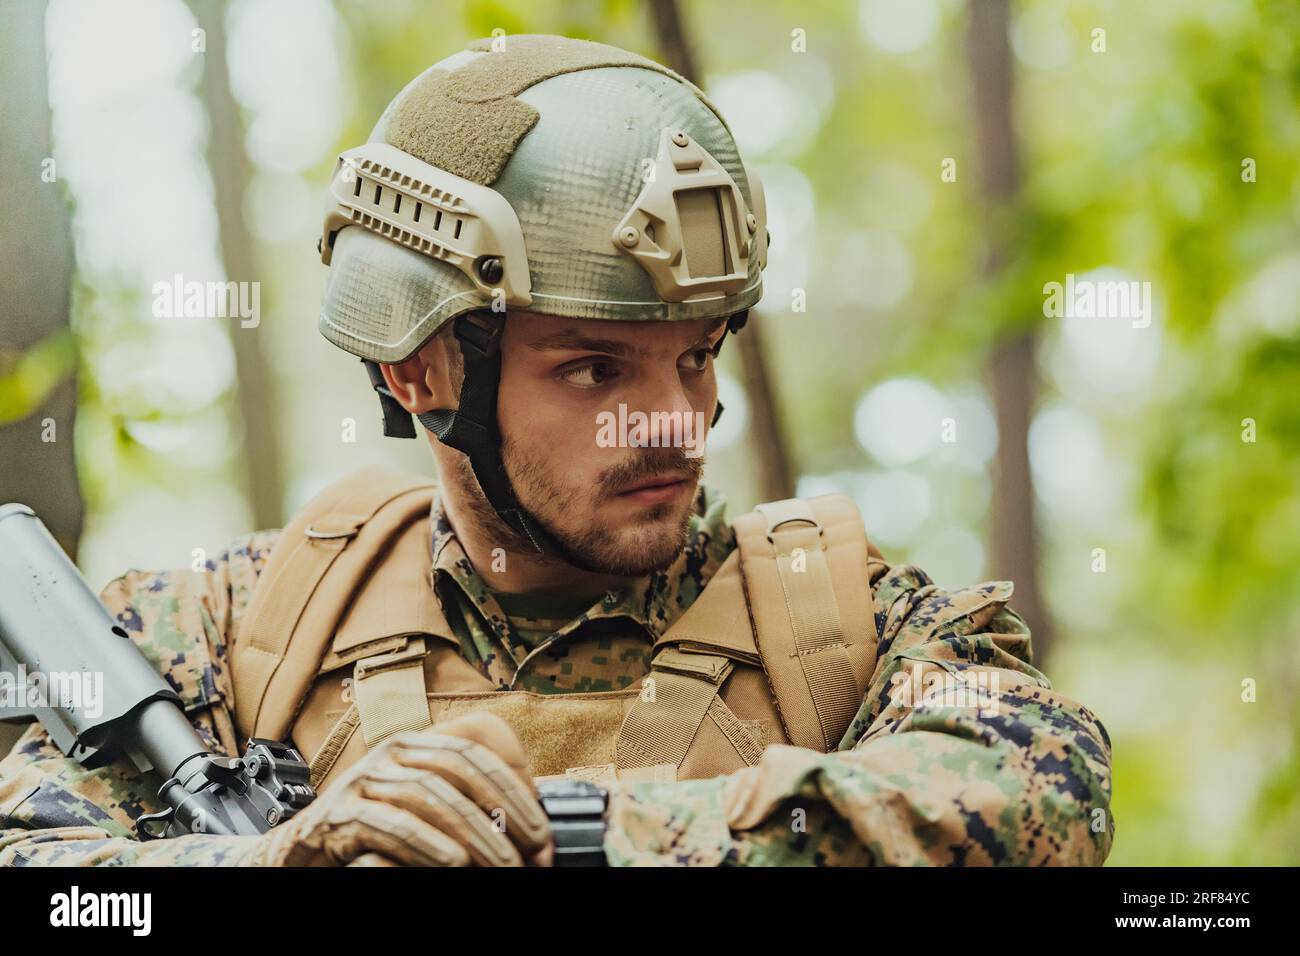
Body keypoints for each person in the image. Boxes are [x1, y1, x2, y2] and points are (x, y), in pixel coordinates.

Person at [0, 34, 1113, 866]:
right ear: (420, 372)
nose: (674, 420)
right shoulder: (229, 629)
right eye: (596, 369)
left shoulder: (839, 621)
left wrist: (584, 833)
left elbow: (1044, 788)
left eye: (696, 355)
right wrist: (276, 854)